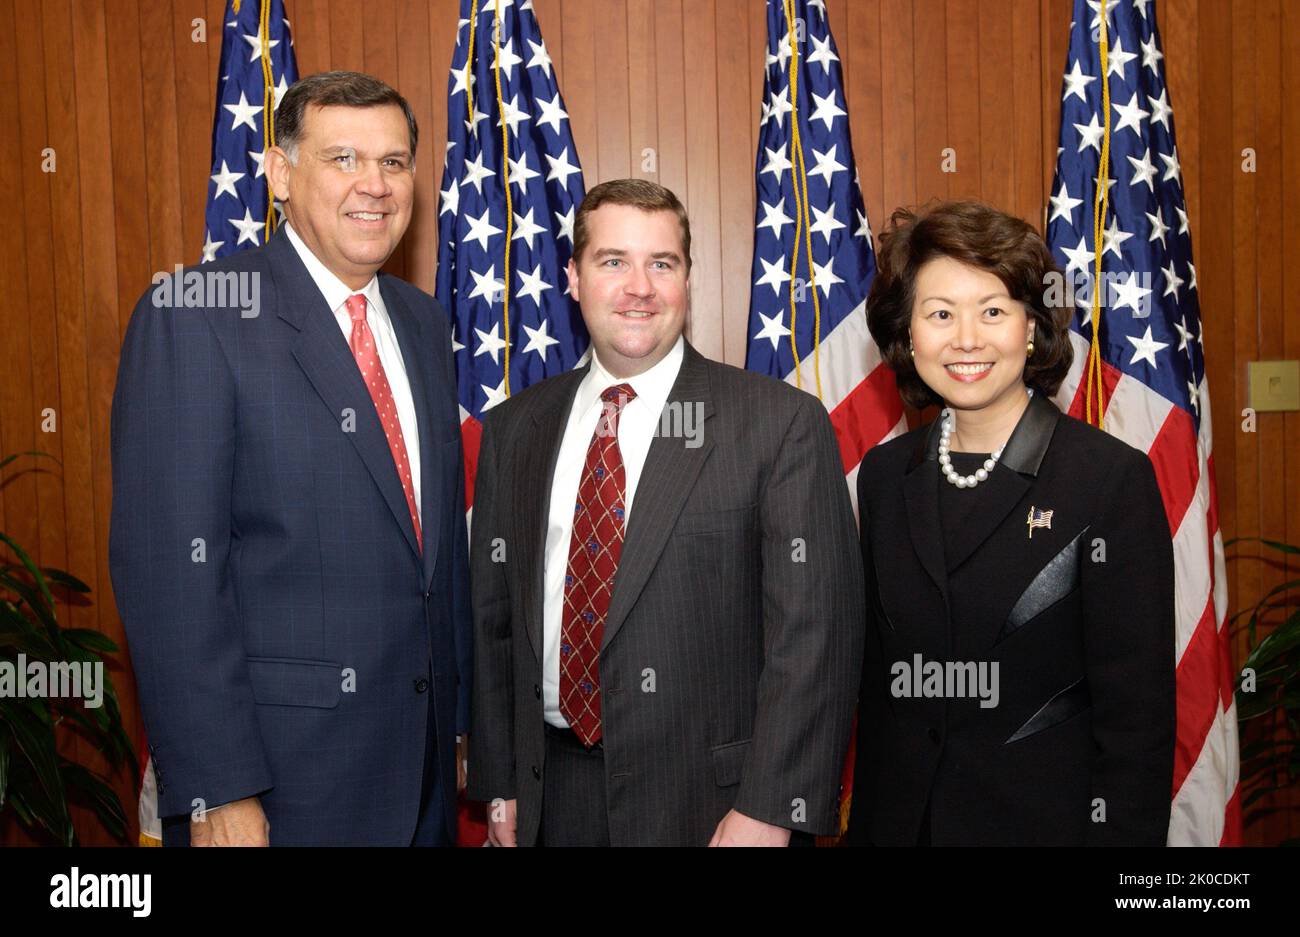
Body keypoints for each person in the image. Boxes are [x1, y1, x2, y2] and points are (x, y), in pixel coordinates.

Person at [109, 71, 471, 846]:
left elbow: (433, 562)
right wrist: (216, 789)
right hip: (279, 792)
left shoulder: (421, 322)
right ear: (279, 172)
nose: (374, 185)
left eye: (395, 162)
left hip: (425, 782)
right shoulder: (196, 316)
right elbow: (170, 578)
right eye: (343, 158)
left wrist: (462, 726)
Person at [467, 178, 863, 846]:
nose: (639, 287)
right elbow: (494, 621)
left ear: (688, 279)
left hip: (713, 808)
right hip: (549, 797)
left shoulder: (777, 423)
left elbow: (816, 636)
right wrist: (500, 780)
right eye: (613, 261)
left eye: (663, 263)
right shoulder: (515, 429)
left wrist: (769, 809)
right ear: (573, 277)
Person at [847, 200, 1175, 846]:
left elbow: (1136, 725)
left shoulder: (1107, 481)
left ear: (1031, 328)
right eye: (940, 314)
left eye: (993, 311)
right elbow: (879, 694)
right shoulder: (885, 476)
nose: (966, 338)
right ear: (908, 335)